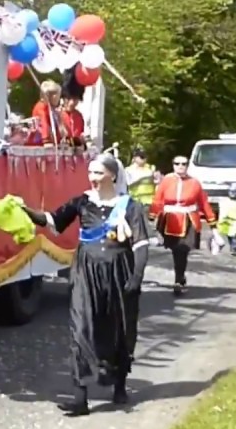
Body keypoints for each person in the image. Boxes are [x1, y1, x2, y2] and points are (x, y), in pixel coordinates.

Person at [14, 153, 150, 415]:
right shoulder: (82, 202)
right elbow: (53, 220)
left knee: (117, 326)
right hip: (85, 271)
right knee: (81, 328)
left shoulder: (129, 206)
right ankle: (80, 397)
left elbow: (141, 245)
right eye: (90, 173)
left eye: (98, 173)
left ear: (112, 174)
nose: (93, 178)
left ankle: (119, 381)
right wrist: (25, 211)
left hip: (118, 271)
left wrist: (136, 278)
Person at [150, 155, 217, 296]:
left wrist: (212, 224)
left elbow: (204, 203)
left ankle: (178, 279)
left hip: (188, 221)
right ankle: (180, 275)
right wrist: (152, 219)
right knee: (176, 250)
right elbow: (157, 201)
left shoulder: (195, 183)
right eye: (177, 163)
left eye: (184, 164)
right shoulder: (166, 181)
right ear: (173, 165)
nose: (180, 166)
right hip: (170, 220)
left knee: (182, 250)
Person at [30, 80, 67, 146]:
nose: (59, 98)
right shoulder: (41, 107)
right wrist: (46, 140)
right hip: (39, 142)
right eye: (58, 96)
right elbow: (44, 124)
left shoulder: (54, 109)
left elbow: (60, 127)